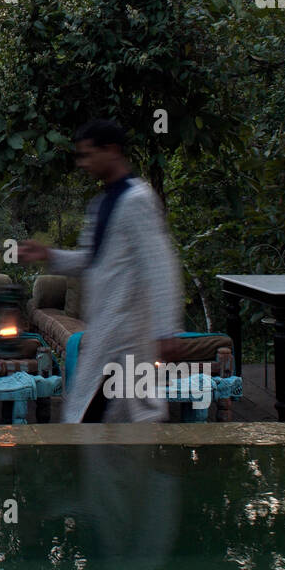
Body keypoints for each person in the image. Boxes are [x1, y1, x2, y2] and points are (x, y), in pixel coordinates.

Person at [18, 120, 183, 422]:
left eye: (88, 154)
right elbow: (92, 261)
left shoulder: (137, 200)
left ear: (112, 150)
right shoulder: (101, 203)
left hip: (130, 332)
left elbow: (160, 267)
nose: (83, 163)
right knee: (111, 418)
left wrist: (165, 330)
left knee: (109, 416)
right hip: (106, 330)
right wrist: (48, 255)